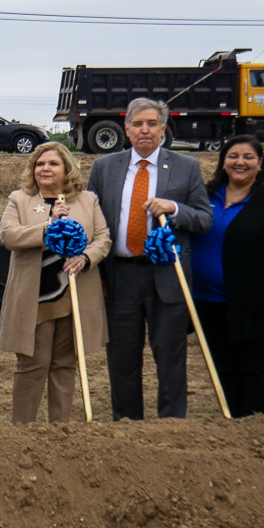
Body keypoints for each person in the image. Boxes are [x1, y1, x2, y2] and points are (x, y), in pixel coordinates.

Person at [86, 98, 212, 419]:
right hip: (119, 278)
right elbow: (91, 220)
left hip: (168, 277)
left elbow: (204, 219)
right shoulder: (104, 168)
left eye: (152, 124)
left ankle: (171, 426)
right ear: (126, 129)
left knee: (170, 359)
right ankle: (128, 427)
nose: (145, 130)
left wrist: (175, 209)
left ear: (163, 129)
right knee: (122, 360)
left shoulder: (186, 167)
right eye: (138, 124)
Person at [0, 141, 110, 422]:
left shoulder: (88, 200)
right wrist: (48, 226)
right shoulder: (19, 199)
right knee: (32, 365)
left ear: (67, 169)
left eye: (53, 164)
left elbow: (102, 238)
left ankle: (60, 433)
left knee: (64, 365)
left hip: (73, 296)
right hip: (35, 298)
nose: (44, 168)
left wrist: (85, 258)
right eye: (40, 164)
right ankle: (22, 431)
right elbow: (9, 237)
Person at [188, 135, 264, 417]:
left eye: (248, 157)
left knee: (253, 367)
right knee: (222, 366)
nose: (240, 162)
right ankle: (232, 422)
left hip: (254, 304)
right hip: (206, 302)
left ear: (260, 163)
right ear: (223, 162)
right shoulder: (203, 196)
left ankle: (254, 424)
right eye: (233, 156)